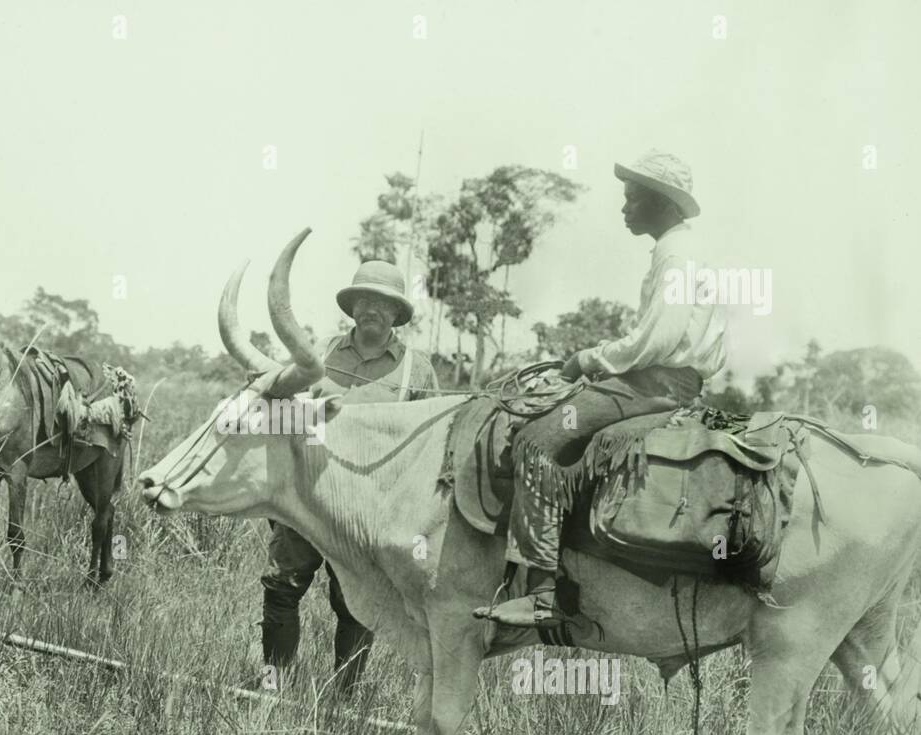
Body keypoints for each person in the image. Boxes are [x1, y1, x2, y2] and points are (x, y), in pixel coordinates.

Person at [475, 151, 726, 629]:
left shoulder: (675, 255)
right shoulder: (685, 251)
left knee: (535, 441)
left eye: (633, 199)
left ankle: (542, 590)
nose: (625, 209)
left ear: (661, 203)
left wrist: (587, 360)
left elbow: (660, 337)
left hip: (654, 384)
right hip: (670, 381)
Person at [260, 260, 439, 693]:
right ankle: (271, 686)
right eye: (364, 299)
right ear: (351, 306)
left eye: (383, 302)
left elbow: (432, 444)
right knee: (282, 587)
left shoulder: (417, 370)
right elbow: (273, 408)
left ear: (397, 313)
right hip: (308, 495)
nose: (372, 308)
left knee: (356, 603)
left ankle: (344, 699)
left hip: (370, 509)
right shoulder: (316, 352)